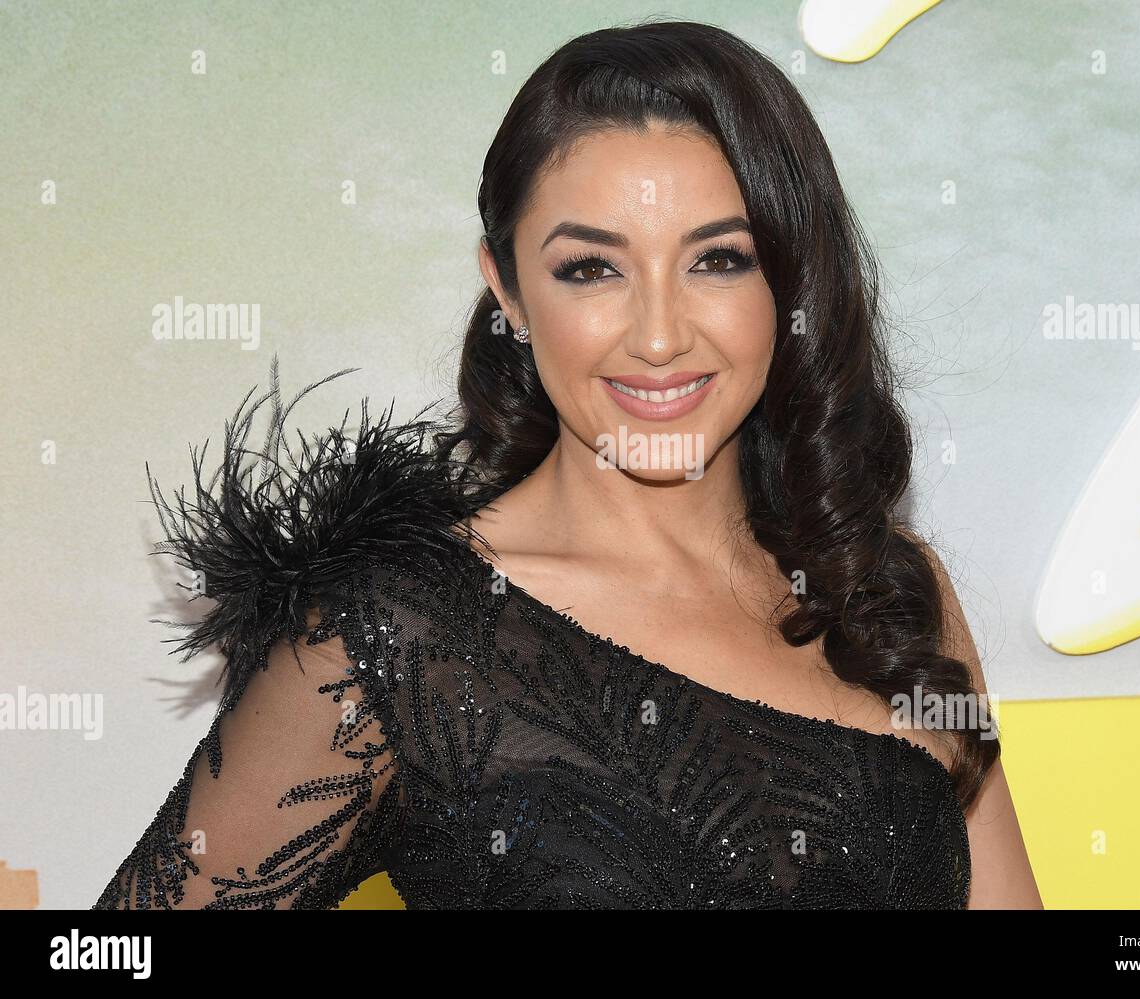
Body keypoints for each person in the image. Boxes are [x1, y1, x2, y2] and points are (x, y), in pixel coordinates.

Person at [92, 19, 1040, 909]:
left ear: (792, 277)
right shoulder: (402, 633)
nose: (661, 335)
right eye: (592, 268)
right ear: (506, 288)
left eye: (719, 261)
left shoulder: (887, 592)